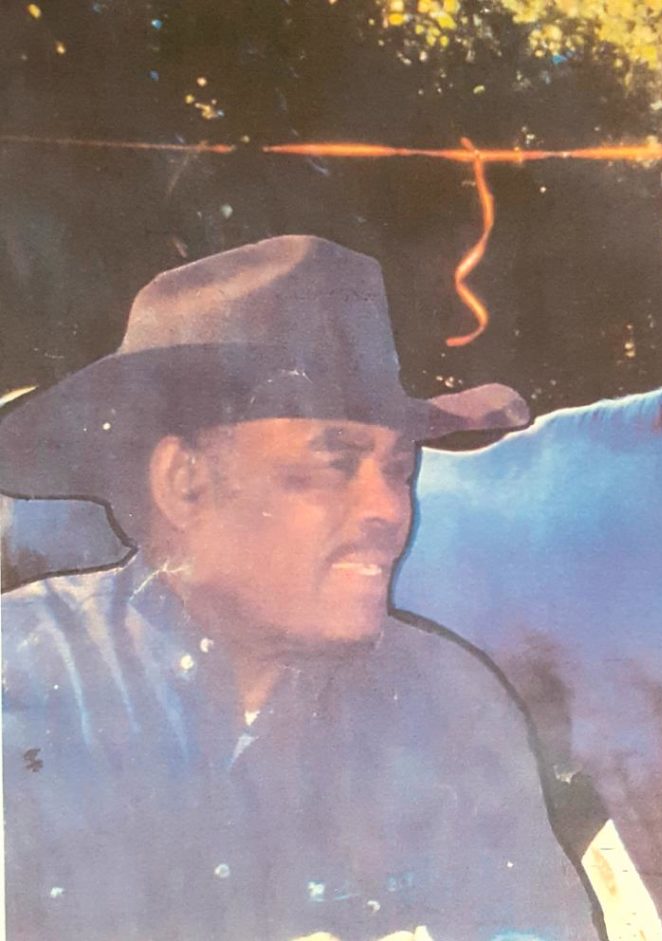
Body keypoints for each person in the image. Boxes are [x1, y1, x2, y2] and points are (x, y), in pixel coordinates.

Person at [0, 236, 599, 941]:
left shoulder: (446, 700)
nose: (389, 508)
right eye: (335, 462)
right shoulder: (26, 680)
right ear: (183, 483)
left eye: (399, 468)